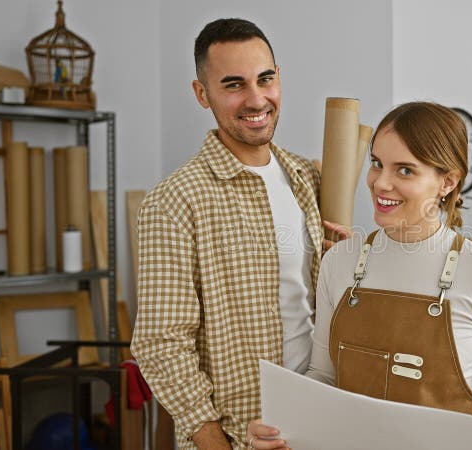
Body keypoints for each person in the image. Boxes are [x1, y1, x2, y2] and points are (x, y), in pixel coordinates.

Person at [248, 102, 472, 450]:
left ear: (447, 182)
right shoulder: (340, 262)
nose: (380, 183)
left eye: (405, 170)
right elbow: (323, 378)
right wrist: (283, 430)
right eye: (377, 164)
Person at [131, 18, 346, 450]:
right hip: (237, 436)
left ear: (278, 78)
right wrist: (218, 445)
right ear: (201, 94)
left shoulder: (308, 177)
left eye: (265, 79)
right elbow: (161, 343)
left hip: (318, 420)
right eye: (233, 85)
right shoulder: (174, 202)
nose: (256, 99)